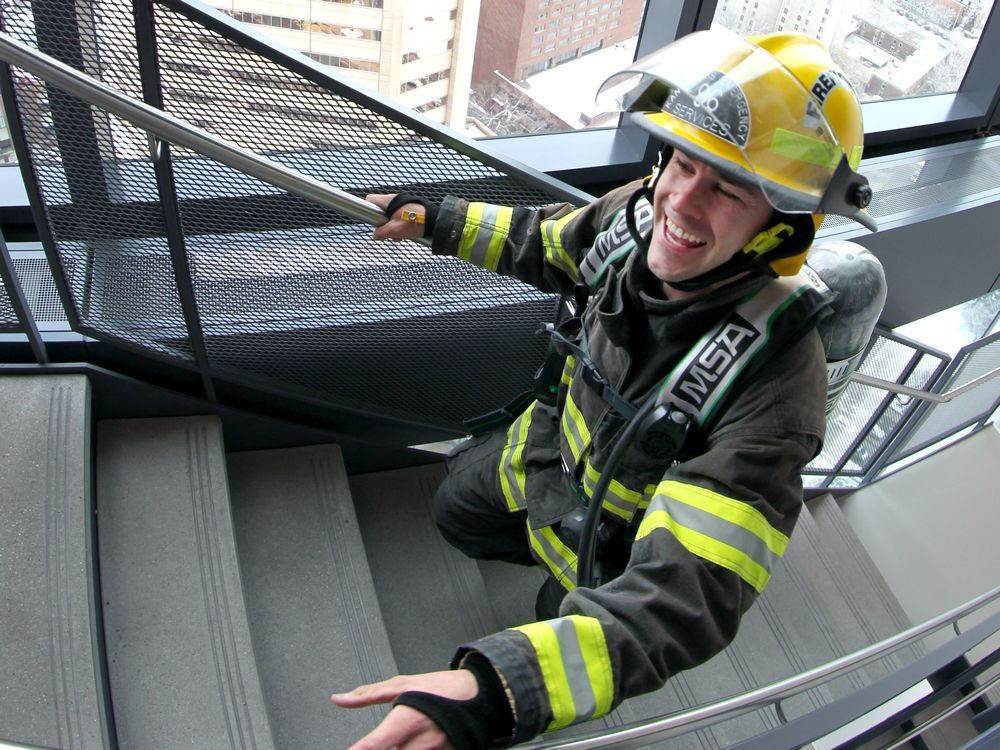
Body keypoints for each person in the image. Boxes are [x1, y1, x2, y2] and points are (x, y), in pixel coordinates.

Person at [331, 28, 876, 749]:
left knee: (567, 615)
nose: (681, 201)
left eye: (727, 189)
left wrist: (500, 687)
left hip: (611, 551)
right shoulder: (634, 215)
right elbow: (545, 240)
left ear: (778, 228)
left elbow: (687, 592)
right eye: (682, 162)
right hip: (538, 457)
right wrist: (439, 219)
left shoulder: (776, 382)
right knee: (457, 513)